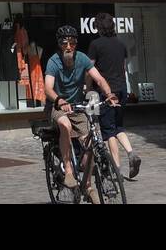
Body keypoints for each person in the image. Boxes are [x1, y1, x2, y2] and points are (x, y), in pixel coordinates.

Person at [44, 24, 117, 204]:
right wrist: (59, 100)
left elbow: (99, 79)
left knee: (90, 142)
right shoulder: (54, 61)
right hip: (58, 106)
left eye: (72, 43)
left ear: (76, 44)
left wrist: (109, 94)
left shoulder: (82, 58)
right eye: (64, 43)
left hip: (77, 107)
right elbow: (47, 88)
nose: (68, 46)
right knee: (65, 125)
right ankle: (68, 169)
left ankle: (87, 185)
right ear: (59, 44)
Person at [88, 11, 141, 180]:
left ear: (98, 27)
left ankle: (116, 169)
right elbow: (123, 68)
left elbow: (90, 70)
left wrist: (87, 87)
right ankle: (131, 153)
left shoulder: (95, 45)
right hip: (121, 89)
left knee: (108, 131)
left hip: (106, 92)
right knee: (118, 126)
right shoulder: (121, 44)